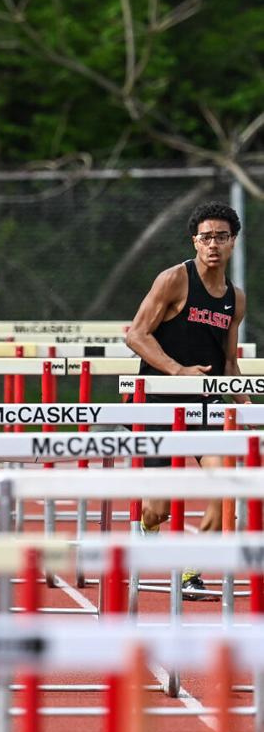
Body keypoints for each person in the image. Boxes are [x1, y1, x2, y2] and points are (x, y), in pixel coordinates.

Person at [124, 201, 248, 601]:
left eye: (221, 237)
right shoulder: (175, 279)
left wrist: (243, 402)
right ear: (194, 240)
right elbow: (137, 335)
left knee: (229, 488)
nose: (213, 244)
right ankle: (147, 529)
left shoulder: (235, 298)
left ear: (232, 243)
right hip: (160, 402)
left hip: (207, 406)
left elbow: (229, 360)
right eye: (206, 237)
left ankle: (190, 569)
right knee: (157, 509)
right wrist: (177, 372)